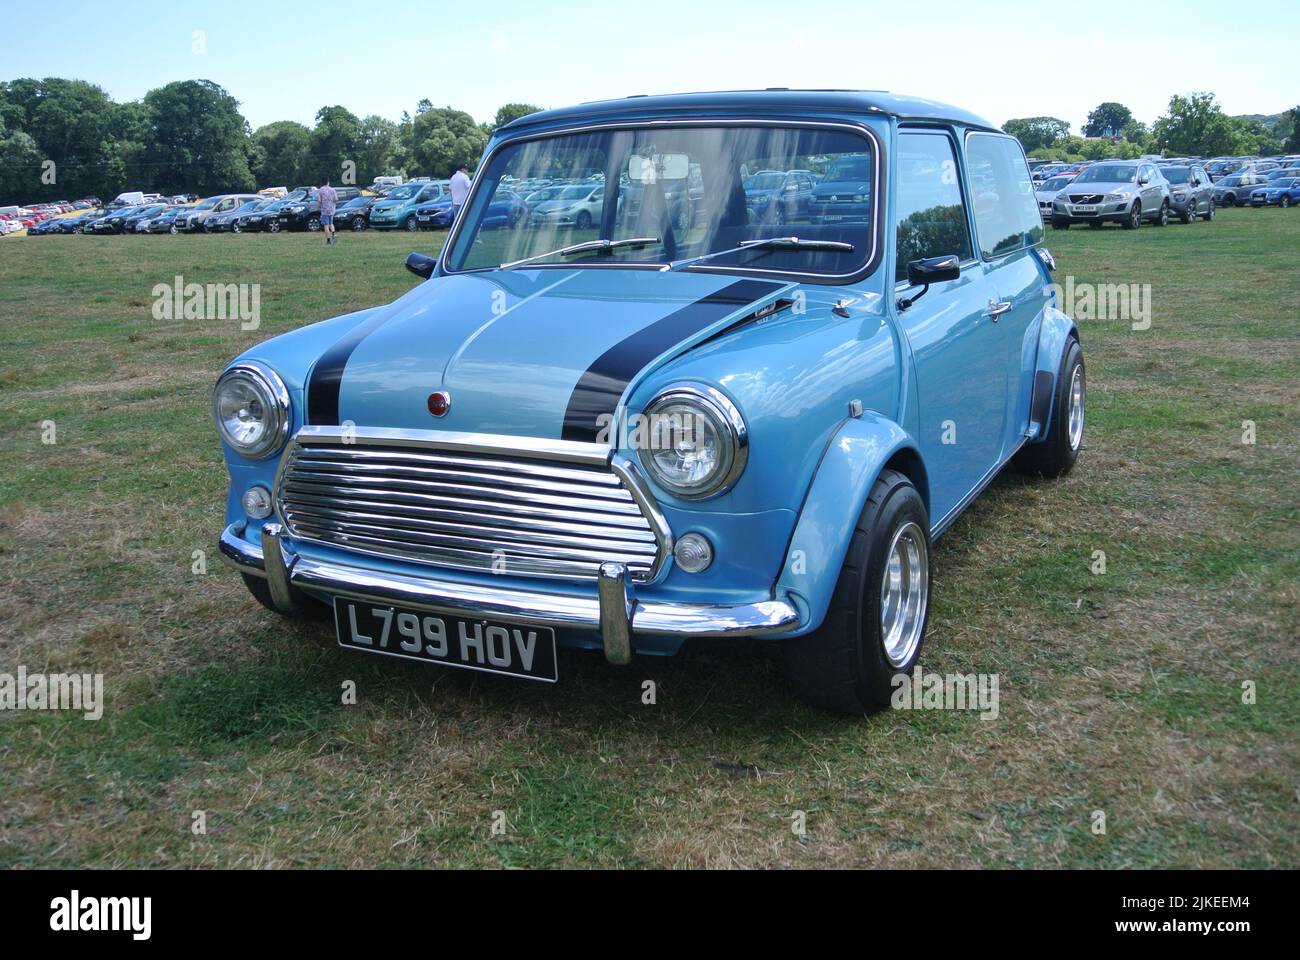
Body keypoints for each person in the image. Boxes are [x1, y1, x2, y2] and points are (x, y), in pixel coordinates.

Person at [318, 177, 338, 245]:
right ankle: (333, 233)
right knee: (331, 223)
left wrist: (322, 203)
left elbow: (319, 201)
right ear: (328, 182)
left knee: (326, 225)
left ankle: (328, 241)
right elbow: (336, 199)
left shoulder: (320, 190)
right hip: (331, 210)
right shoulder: (333, 190)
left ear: (322, 183)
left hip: (324, 210)